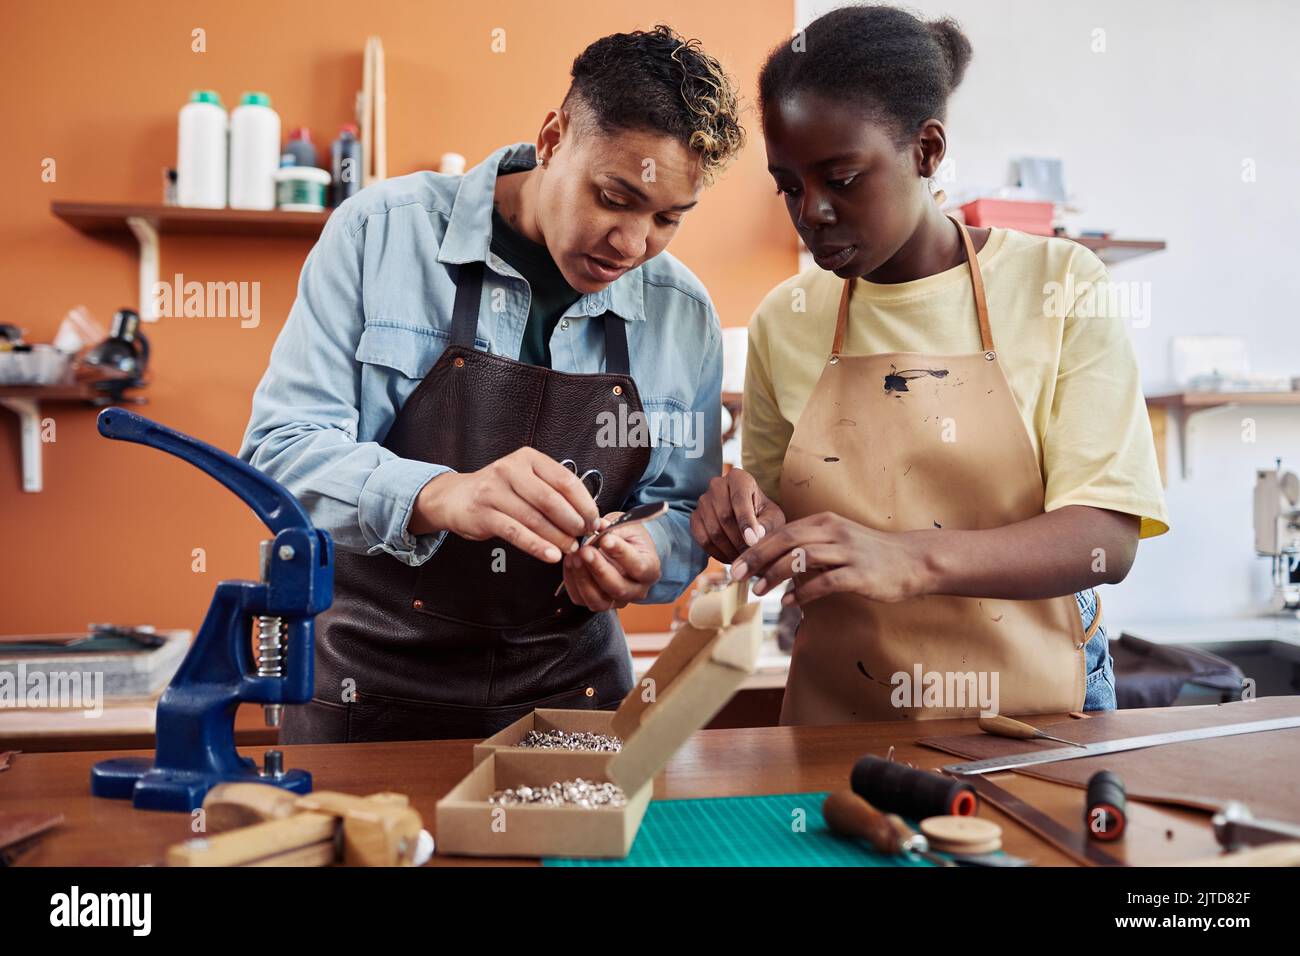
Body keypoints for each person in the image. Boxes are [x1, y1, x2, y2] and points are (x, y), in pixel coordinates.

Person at [240, 25, 743, 742]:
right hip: (365, 692)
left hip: (574, 699)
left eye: (667, 219)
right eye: (613, 197)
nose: (632, 245)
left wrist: (650, 553)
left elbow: (682, 505)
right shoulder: (380, 234)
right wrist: (441, 494)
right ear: (551, 137)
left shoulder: (683, 313)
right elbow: (281, 452)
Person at [692, 5, 1170, 723]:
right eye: (789, 186)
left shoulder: (1059, 282)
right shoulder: (784, 319)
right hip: (842, 709)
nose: (811, 211)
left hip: (1031, 710)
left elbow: (1105, 538)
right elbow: (778, 518)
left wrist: (909, 560)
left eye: (842, 178)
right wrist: (746, 519)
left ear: (926, 150)